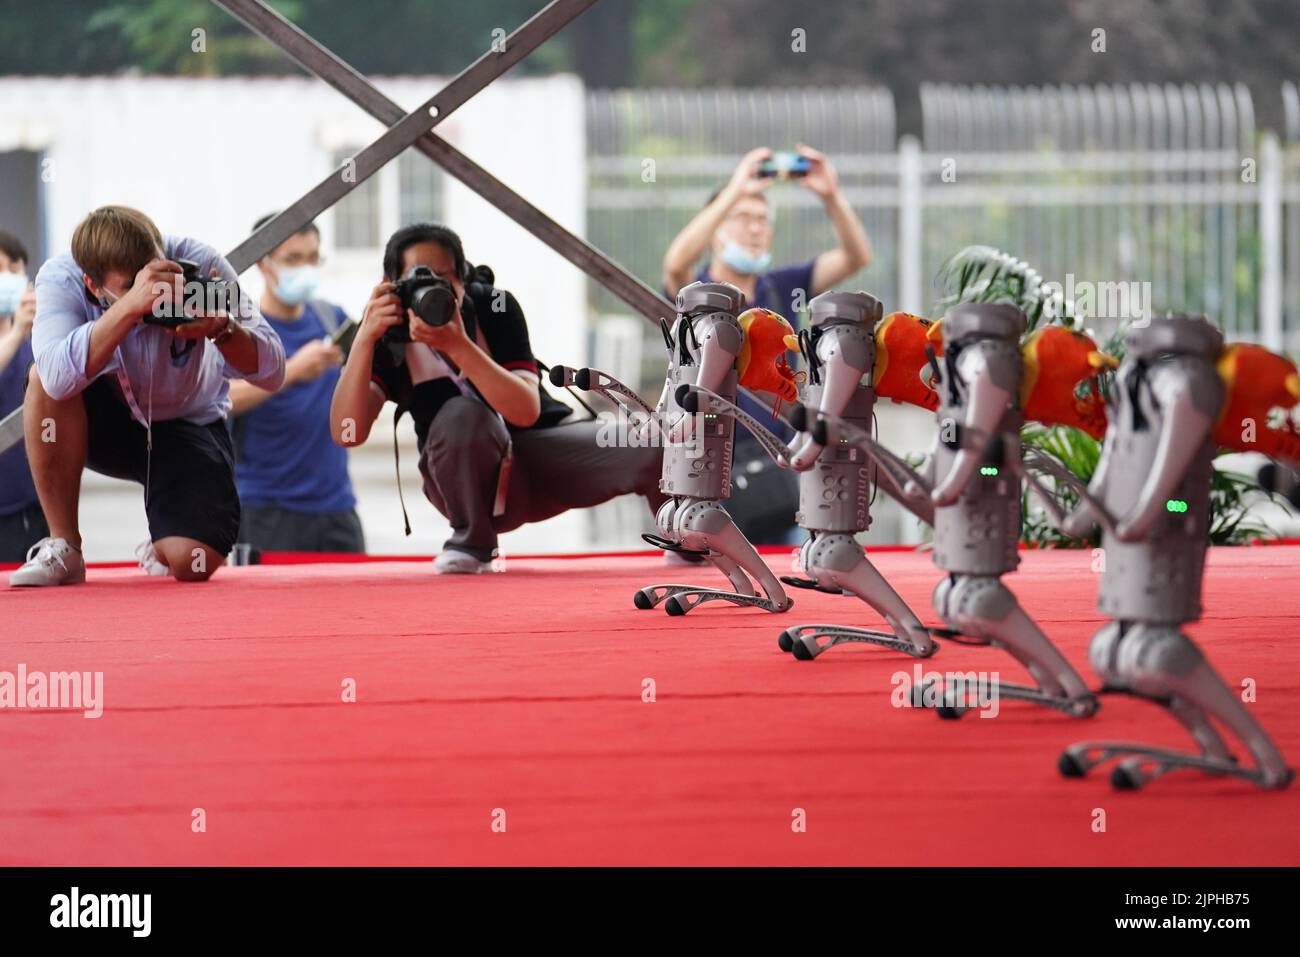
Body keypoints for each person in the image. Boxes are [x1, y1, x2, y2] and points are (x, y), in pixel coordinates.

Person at [329, 223, 664, 574]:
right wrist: (364, 340)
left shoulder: (494, 306)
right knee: (462, 413)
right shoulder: (387, 336)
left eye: (442, 278)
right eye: (416, 279)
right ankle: (472, 542)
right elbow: (347, 433)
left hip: (540, 458)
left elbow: (525, 411)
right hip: (465, 480)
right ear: (390, 285)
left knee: (651, 439)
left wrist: (458, 345)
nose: (430, 291)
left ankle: (688, 540)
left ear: (462, 278)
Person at [9, 205, 285, 586]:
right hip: (101, 423)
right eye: (132, 286)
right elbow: (55, 378)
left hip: (188, 423)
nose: (156, 296)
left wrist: (223, 330)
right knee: (41, 377)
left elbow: (274, 371)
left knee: (194, 563)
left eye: (157, 277)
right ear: (93, 285)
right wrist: (128, 310)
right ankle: (65, 545)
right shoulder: (62, 278)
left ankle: (165, 539)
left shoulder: (200, 266)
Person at [661, 144, 873, 543]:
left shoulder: (781, 287)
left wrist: (830, 196)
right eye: (743, 217)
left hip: (780, 469)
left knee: (801, 564)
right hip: (708, 465)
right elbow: (674, 264)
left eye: (763, 220)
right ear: (716, 227)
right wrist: (734, 190)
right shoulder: (697, 293)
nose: (755, 228)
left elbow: (855, 256)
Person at [228, 214, 362, 553]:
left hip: (338, 508)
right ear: (263, 264)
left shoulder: (331, 317)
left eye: (312, 258)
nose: (305, 268)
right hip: (268, 511)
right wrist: (291, 371)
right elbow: (218, 399)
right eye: (292, 260)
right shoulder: (239, 331)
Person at [0, 230, 48, 561]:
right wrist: (15, 333)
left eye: (12, 269)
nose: (6, 278)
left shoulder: (42, 335)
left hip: (30, 503)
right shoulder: (17, 337)